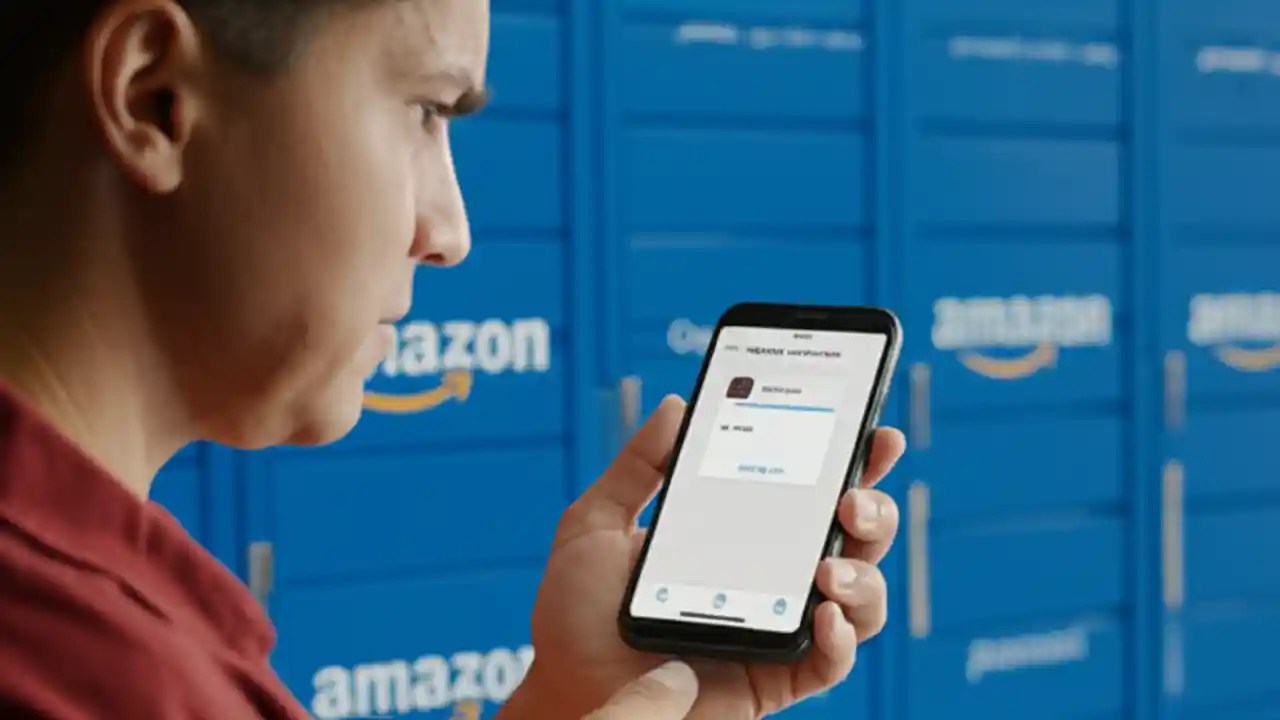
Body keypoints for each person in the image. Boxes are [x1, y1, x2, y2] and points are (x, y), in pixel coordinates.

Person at [0, 1, 906, 718]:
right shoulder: (96, 673)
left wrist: (577, 698)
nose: (452, 233)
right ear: (154, 95)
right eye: (427, 110)